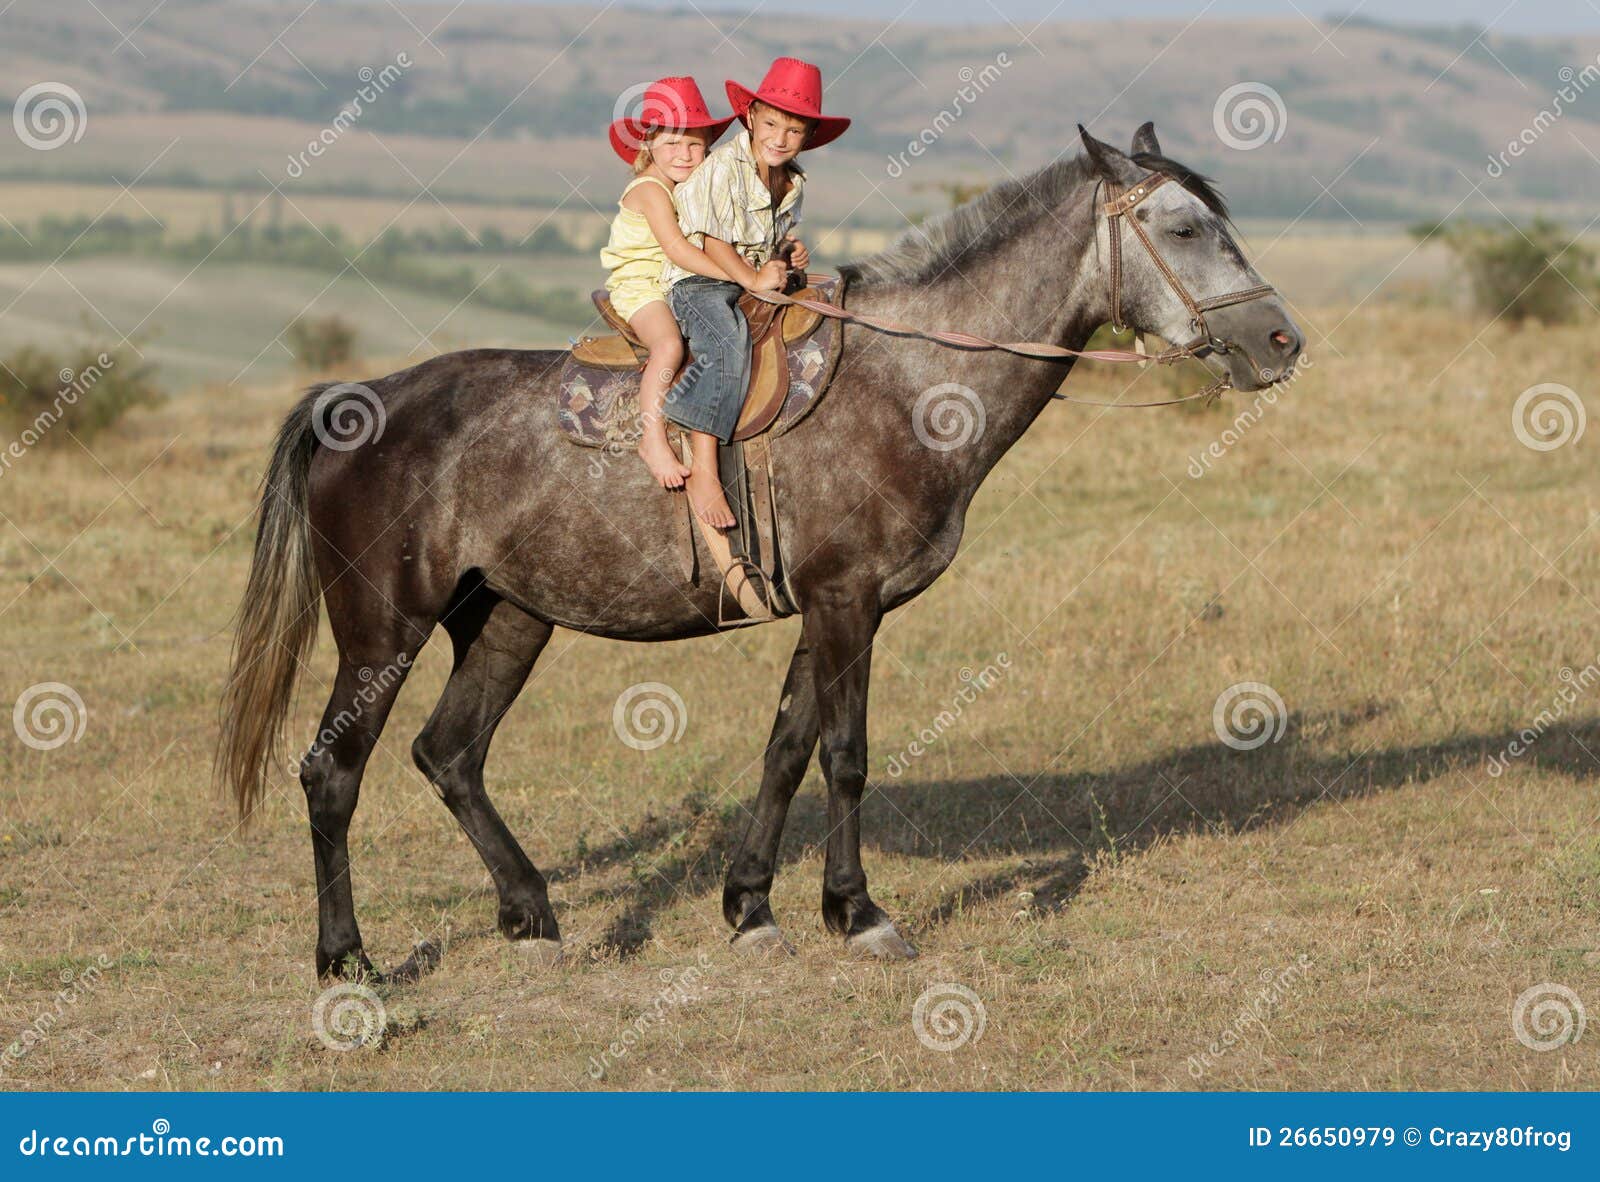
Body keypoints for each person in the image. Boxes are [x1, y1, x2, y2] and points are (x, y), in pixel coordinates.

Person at [659, 57, 851, 528]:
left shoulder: (792, 181)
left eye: (794, 130)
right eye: (771, 125)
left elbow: (767, 243)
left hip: (745, 277)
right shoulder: (724, 167)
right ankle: (704, 468)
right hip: (700, 281)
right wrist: (751, 279)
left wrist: (788, 253)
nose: (779, 139)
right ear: (750, 117)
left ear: (808, 136)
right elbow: (714, 243)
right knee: (726, 341)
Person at [601, 77, 783, 489]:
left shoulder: (687, 187)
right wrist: (744, 277)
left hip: (669, 280)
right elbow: (679, 250)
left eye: (695, 145)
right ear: (648, 144)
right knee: (669, 345)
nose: (684, 155)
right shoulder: (650, 189)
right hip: (641, 284)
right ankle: (652, 439)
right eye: (672, 143)